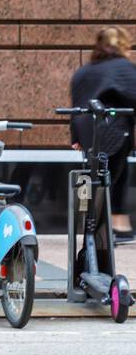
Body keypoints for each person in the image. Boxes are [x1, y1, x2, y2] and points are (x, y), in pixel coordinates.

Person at [67, 26, 136, 242]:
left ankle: (114, 225)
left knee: (103, 173)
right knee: (111, 177)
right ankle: (102, 228)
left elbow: (77, 104)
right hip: (114, 129)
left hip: (88, 131)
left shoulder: (84, 71)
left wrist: (75, 137)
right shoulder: (123, 67)